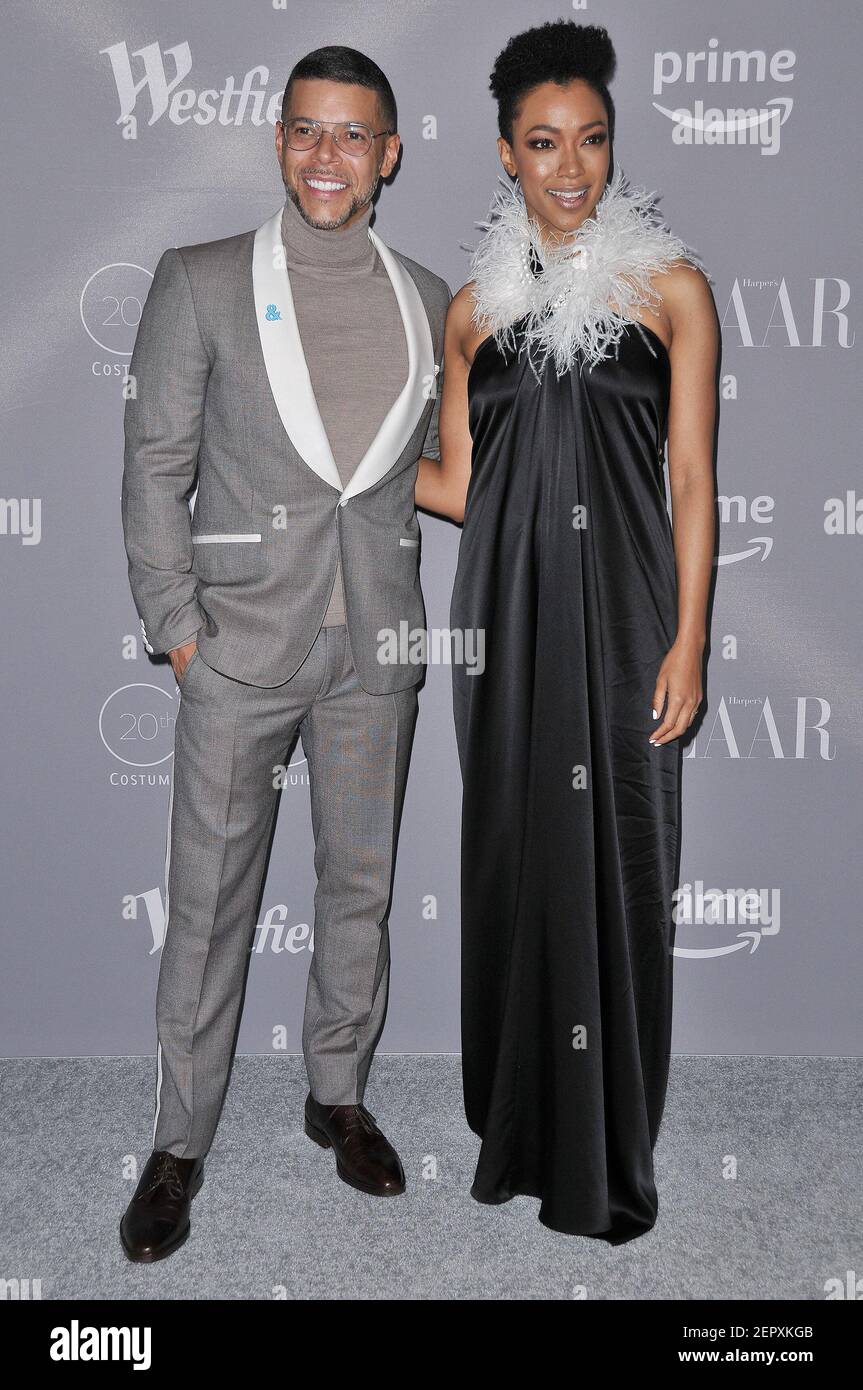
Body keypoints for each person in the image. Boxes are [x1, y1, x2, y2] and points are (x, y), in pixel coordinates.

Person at [120, 45, 450, 1262]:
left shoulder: (429, 297)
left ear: (388, 154)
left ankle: (336, 1095)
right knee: (207, 909)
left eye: (352, 135)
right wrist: (178, 630)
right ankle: (177, 1142)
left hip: (376, 645)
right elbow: (156, 463)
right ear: (277, 141)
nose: (328, 156)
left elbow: (430, 471)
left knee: (357, 890)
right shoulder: (201, 280)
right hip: (239, 650)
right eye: (306, 131)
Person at [416, 21, 717, 1242]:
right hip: (500, 607)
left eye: (589, 139)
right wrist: (333, 462)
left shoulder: (672, 287)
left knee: (617, 858)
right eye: (542, 143)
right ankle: (519, 1114)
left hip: (625, 608)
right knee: (512, 848)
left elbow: (690, 477)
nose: (569, 165)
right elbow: (453, 481)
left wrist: (687, 637)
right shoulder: (469, 312)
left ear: (610, 145)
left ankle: (605, 1141)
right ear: (503, 154)